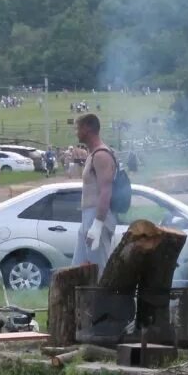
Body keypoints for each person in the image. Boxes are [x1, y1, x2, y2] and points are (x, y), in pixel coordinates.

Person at [73, 114, 118, 276]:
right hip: (88, 216)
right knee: (78, 271)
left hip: (97, 216)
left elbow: (106, 191)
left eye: (78, 128)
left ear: (88, 128)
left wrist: (97, 225)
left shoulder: (102, 155)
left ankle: (106, 302)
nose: (76, 132)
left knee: (99, 271)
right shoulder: (92, 154)